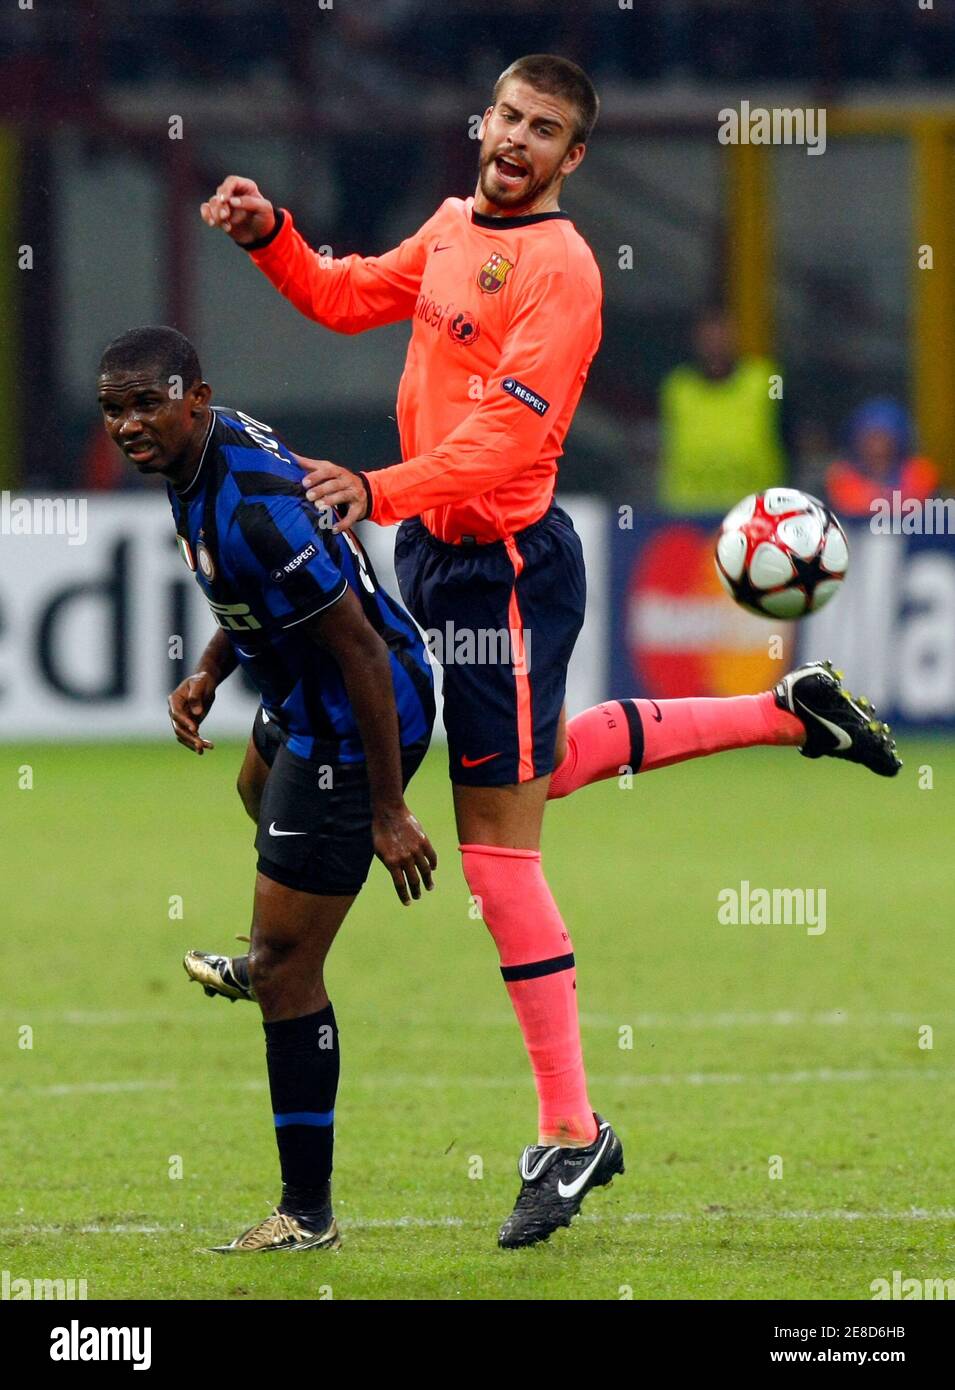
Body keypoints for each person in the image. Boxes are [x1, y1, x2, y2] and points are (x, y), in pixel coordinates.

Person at [198, 54, 900, 1249]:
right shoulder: (452, 223)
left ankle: (573, 1137)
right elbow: (341, 293)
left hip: (503, 572)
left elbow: (494, 448)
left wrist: (376, 486)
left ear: (575, 159)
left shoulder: (566, 272)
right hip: (437, 558)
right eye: (508, 118)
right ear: (486, 124)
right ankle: (791, 714)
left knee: (494, 856)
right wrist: (273, 235)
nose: (515, 140)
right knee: (524, 773)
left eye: (545, 131)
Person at [97, 325, 437, 1253]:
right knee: (257, 790)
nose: (129, 425)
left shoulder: (254, 502)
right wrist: (212, 669)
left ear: (193, 399)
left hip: (359, 712)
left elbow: (363, 647)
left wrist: (387, 808)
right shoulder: (196, 463)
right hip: (301, 693)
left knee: (290, 971)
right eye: (114, 410)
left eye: (146, 405)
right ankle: (280, 939)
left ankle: (306, 1213)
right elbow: (240, 590)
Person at [658, 307, 787, 513]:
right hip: (688, 517)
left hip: (753, 516)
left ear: (736, 338)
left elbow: (793, 436)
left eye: (722, 336)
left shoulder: (764, 382)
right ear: (696, 341)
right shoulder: (677, 388)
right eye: (708, 338)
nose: (715, 346)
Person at [825, 397, 940, 519]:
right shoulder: (840, 474)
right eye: (870, 436)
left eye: (884, 436)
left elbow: (914, 502)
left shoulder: (921, 471)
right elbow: (851, 505)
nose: (877, 446)